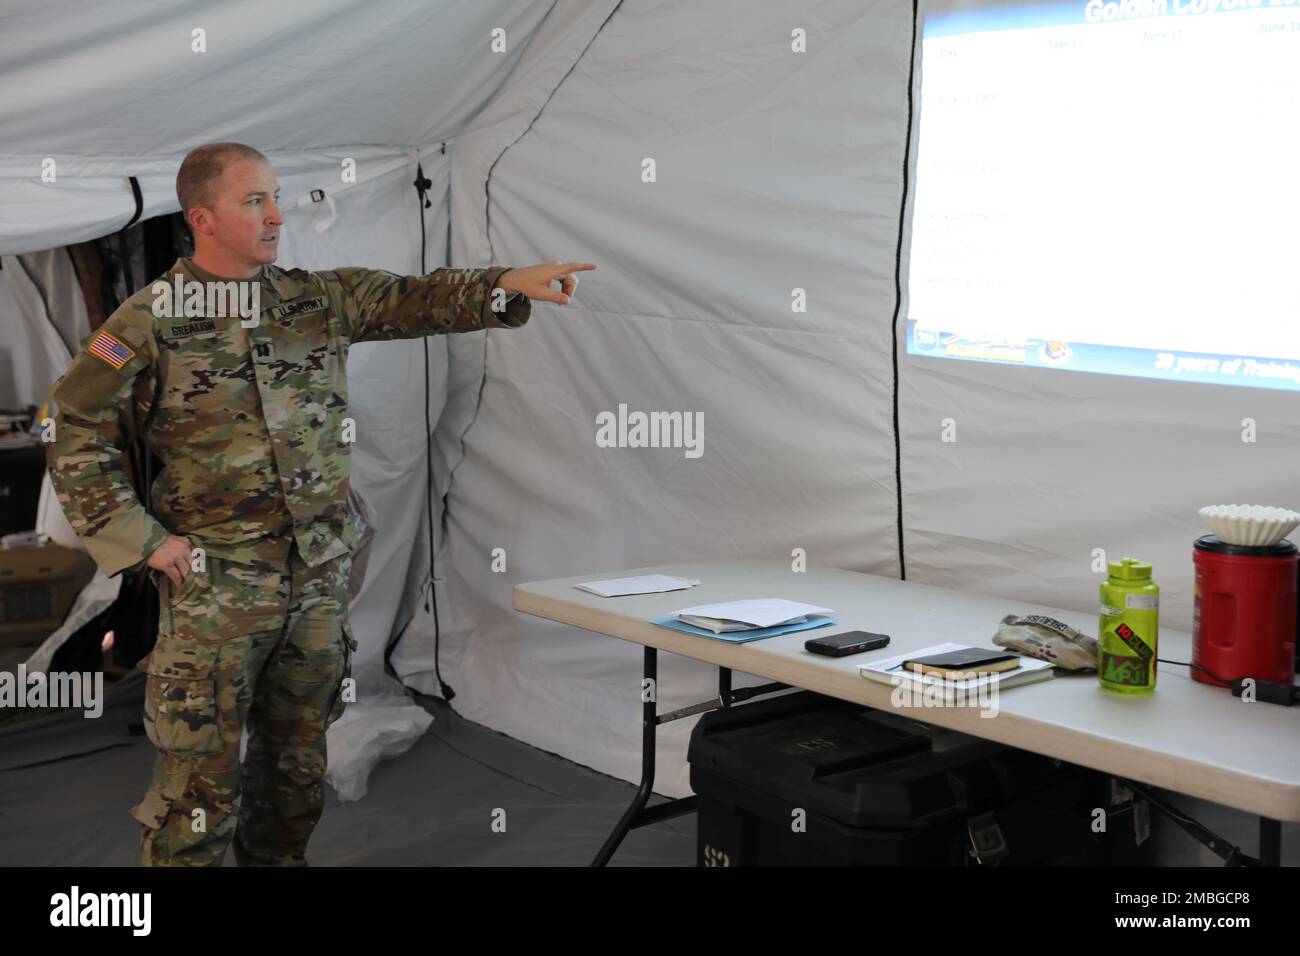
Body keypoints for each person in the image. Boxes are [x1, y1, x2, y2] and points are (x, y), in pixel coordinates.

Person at [45, 141, 596, 866]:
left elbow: (415, 298)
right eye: (254, 202)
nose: (276, 216)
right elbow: (72, 425)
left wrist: (506, 284)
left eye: (275, 198)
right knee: (197, 783)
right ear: (201, 217)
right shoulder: (146, 321)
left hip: (315, 581)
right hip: (215, 586)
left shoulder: (317, 298)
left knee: (296, 769)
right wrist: (140, 539)